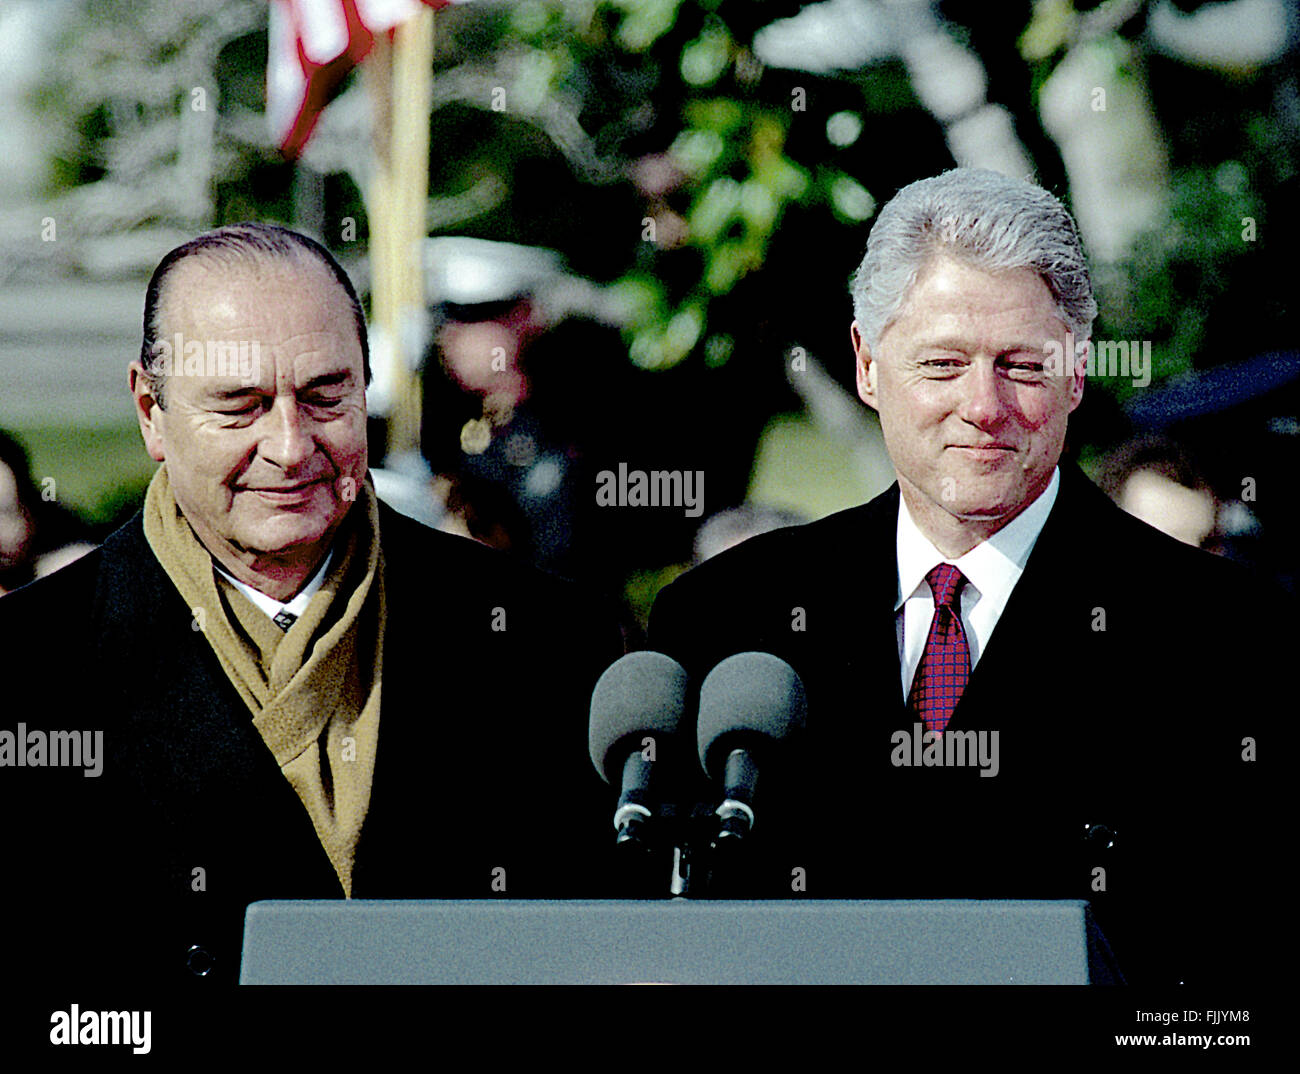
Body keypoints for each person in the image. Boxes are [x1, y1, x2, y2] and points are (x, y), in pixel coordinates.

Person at [648, 169, 1275, 985]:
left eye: (1020, 365)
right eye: (942, 364)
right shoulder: (727, 619)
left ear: (1076, 372)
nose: (983, 406)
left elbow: (1245, 984)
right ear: (868, 366)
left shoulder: (1230, 636)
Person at [0, 223, 622, 990]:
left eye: (326, 397)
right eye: (240, 406)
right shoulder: (24, 670)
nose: (291, 447)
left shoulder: (551, 644)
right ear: (150, 410)